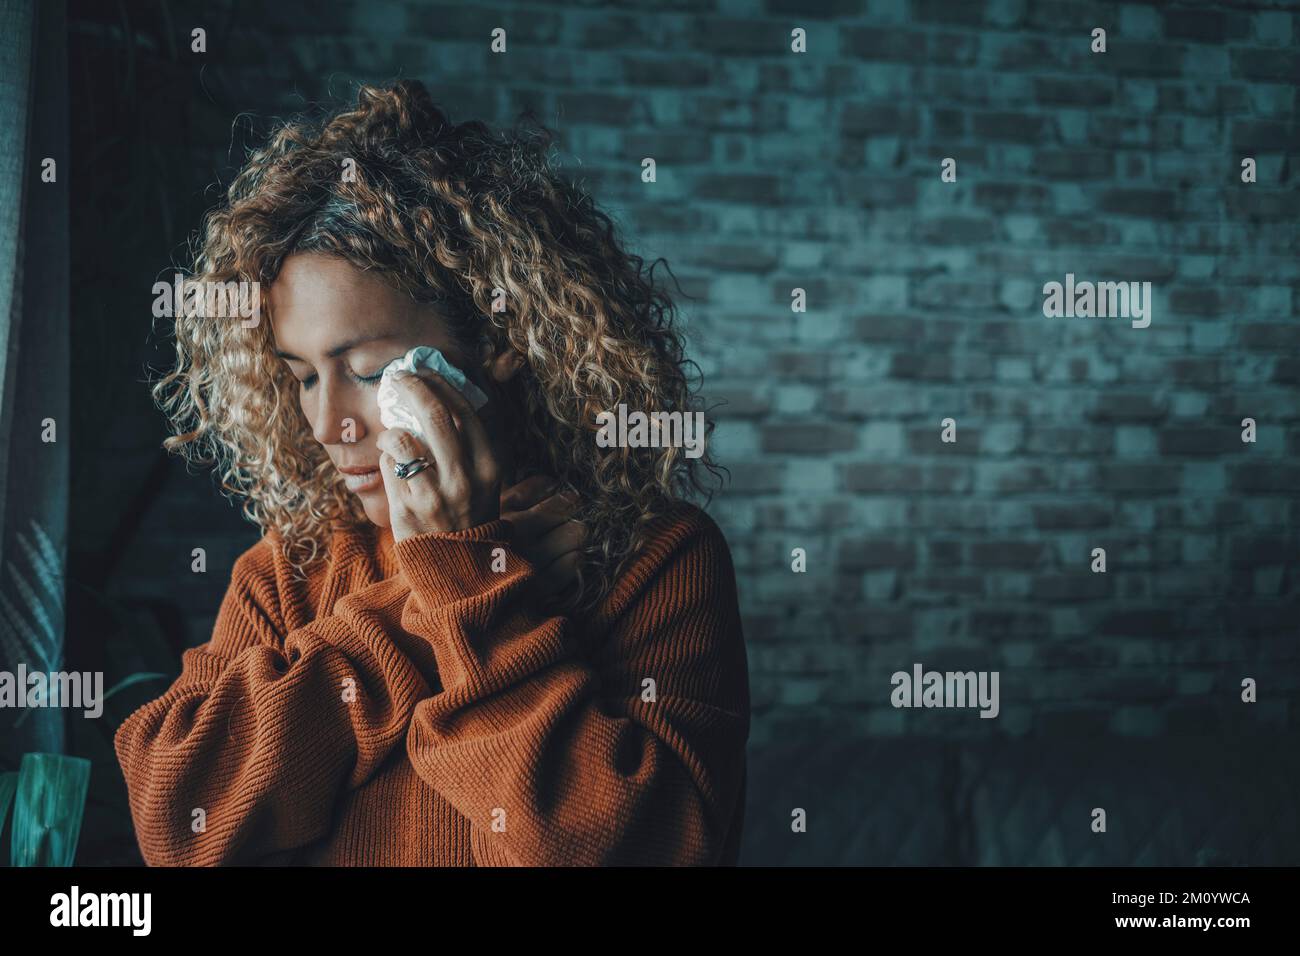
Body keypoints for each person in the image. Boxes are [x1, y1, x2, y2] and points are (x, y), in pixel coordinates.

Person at [114, 79, 751, 866]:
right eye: (305, 376)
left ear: (501, 337)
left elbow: (630, 849)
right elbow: (177, 820)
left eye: (370, 369)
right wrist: (423, 603)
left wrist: (476, 597)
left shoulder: (656, 561)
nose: (326, 424)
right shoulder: (293, 567)